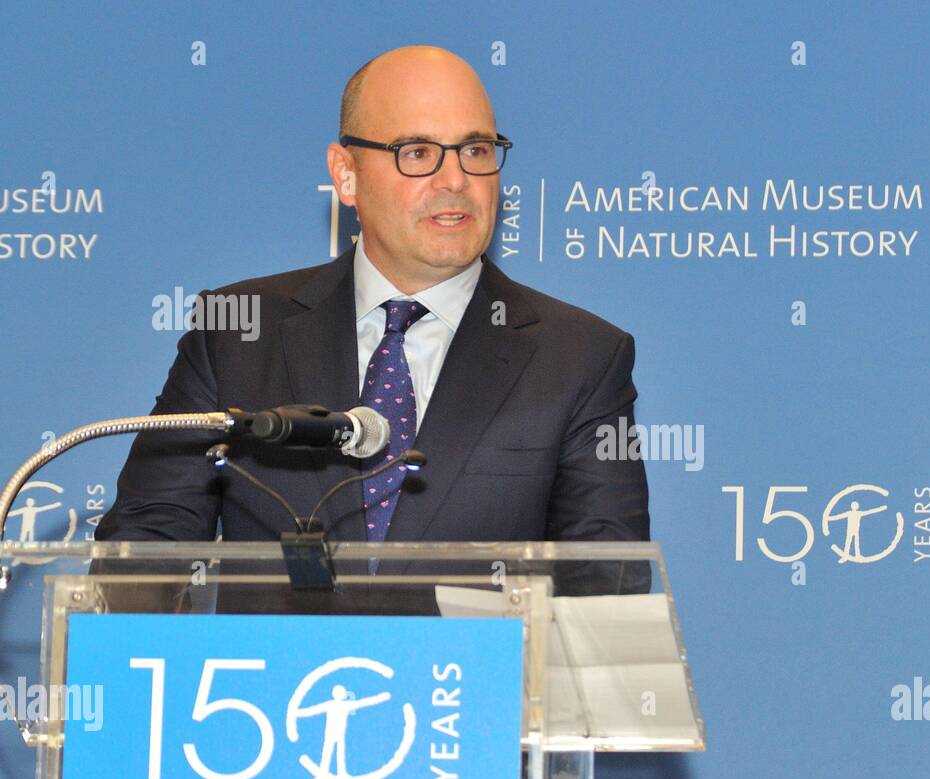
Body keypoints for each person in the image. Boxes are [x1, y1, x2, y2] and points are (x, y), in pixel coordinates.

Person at [95, 46, 649, 554]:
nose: (455, 179)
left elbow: (602, 584)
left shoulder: (581, 358)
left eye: (476, 149)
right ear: (346, 174)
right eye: (418, 152)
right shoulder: (236, 332)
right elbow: (146, 542)